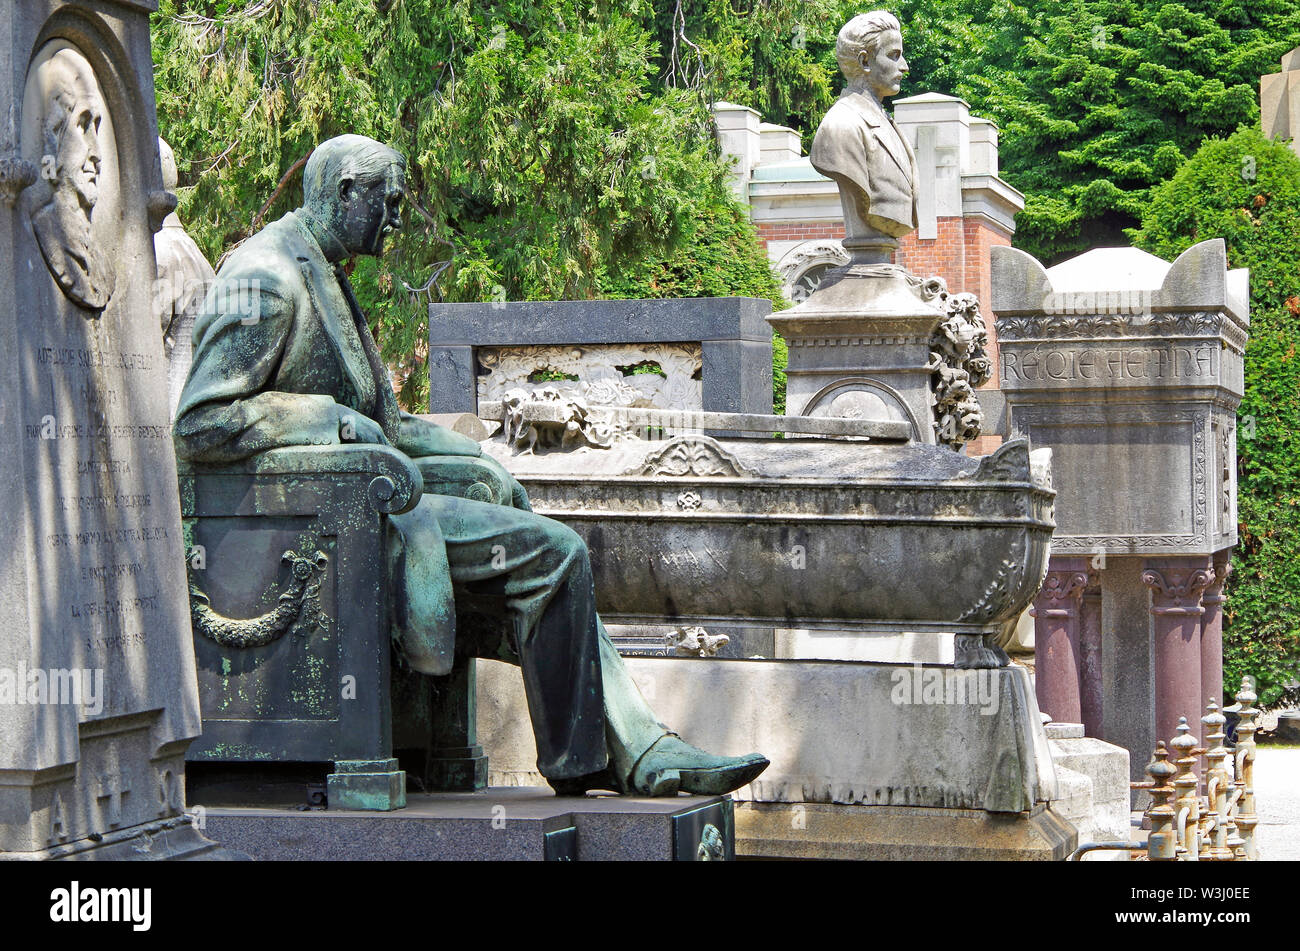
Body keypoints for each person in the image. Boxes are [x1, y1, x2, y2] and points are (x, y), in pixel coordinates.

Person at [173, 134, 768, 797]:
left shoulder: (327, 272)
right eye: (389, 201)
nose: (397, 217)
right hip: (325, 530)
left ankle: (638, 749)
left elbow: (391, 427)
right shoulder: (266, 276)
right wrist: (321, 416)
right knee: (559, 555)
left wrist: (480, 462)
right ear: (346, 193)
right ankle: (599, 760)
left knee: (533, 539)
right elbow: (201, 421)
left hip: (375, 509)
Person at [810, 11, 917, 263]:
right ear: (865, 61)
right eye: (894, 56)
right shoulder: (841, 125)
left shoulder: (887, 124)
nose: (905, 66)